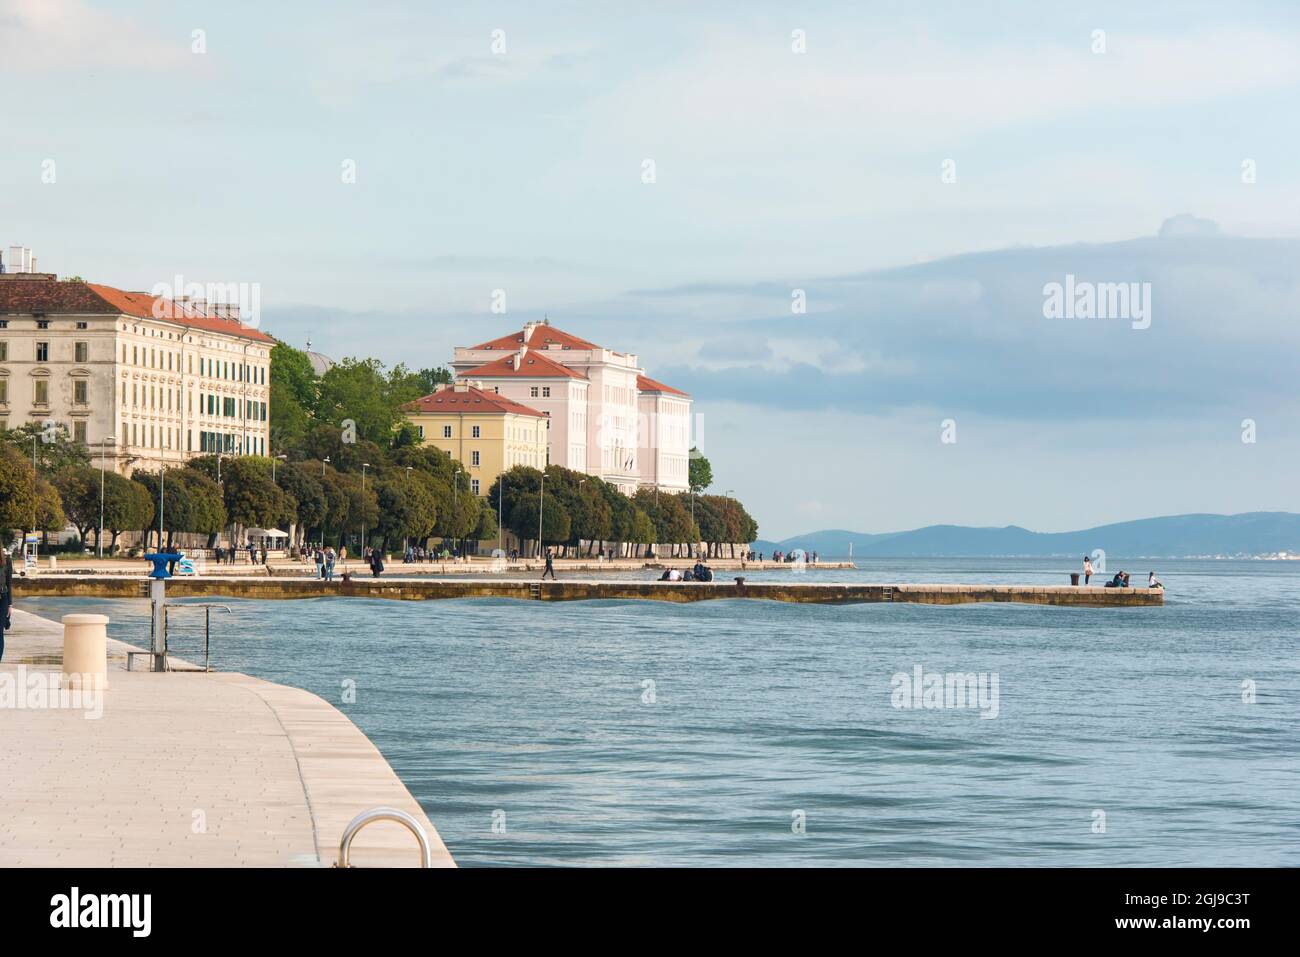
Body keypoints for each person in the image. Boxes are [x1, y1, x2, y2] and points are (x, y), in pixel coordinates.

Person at [0, 547, 12, 663]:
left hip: (2, 598)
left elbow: (9, 582)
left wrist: (10, 604)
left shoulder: (7, 559)